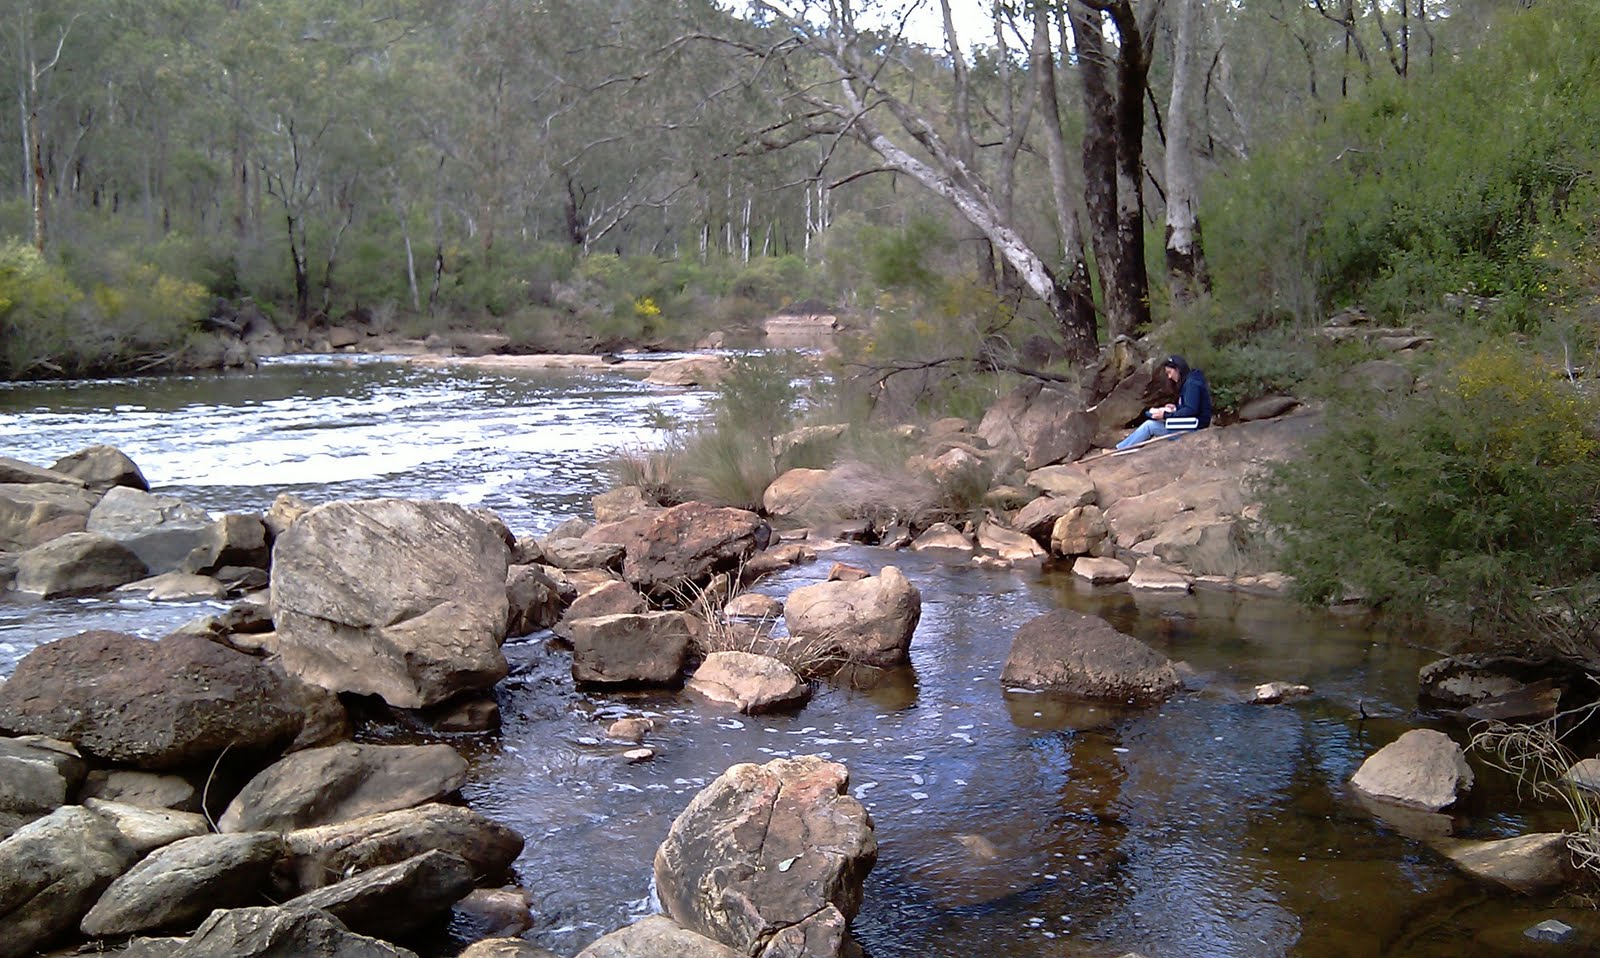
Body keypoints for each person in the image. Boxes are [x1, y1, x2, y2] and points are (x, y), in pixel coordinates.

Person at [1115, 354, 1213, 450]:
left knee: (1150, 426)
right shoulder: (1190, 381)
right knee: (1151, 423)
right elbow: (1190, 406)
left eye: (1170, 372)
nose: (1169, 377)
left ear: (1178, 369)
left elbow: (1191, 410)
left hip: (1194, 426)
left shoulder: (1192, 384)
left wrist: (1165, 415)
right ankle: (1123, 448)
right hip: (1192, 423)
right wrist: (1175, 409)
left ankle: (1121, 449)